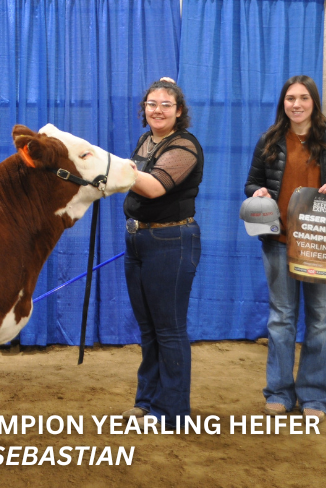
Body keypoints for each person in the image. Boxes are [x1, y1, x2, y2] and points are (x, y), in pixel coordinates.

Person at [244, 75, 326, 422]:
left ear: (314, 102)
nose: (296, 104)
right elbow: (251, 182)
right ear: (283, 103)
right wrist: (257, 193)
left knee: (321, 321)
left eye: (303, 98)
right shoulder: (269, 139)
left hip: (321, 244)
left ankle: (315, 397)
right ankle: (279, 393)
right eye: (290, 98)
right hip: (278, 241)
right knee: (281, 320)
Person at [121, 77, 204, 429]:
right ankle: (147, 402)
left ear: (179, 111)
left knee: (169, 329)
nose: (157, 110)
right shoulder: (147, 140)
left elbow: (154, 187)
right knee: (149, 329)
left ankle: (171, 412)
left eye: (166, 105)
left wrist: (110, 169)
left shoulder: (184, 146)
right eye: (152, 104)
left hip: (170, 242)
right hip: (139, 240)